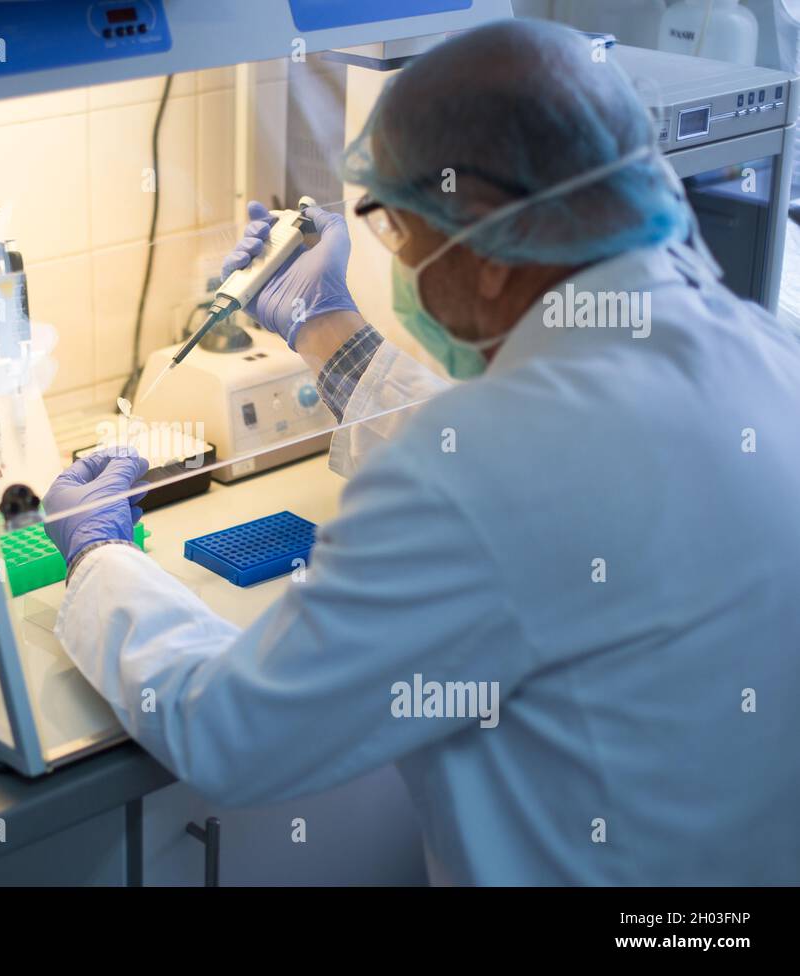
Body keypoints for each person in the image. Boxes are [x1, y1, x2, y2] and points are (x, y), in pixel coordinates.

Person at [42, 18, 800, 884]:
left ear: (482, 243)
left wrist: (101, 559)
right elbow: (548, 478)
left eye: (401, 235)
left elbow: (233, 732)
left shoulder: (483, 471)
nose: (401, 267)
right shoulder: (766, 354)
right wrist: (331, 338)